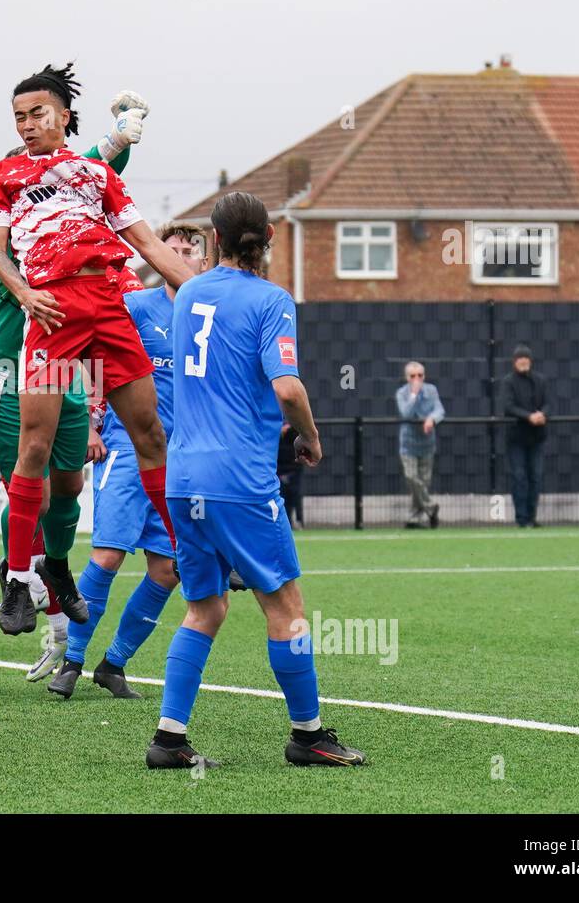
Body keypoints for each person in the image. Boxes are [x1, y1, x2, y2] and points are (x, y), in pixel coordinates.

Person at [146, 191, 365, 769]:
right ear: (269, 237)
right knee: (286, 604)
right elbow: (287, 387)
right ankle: (308, 735)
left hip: (184, 475)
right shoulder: (273, 300)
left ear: (214, 240)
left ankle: (169, 740)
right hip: (238, 478)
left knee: (205, 608)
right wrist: (310, 438)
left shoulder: (188, 292)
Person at [0, 63, 192, 635]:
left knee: (150, 432)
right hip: (51, 309)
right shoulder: (1, 175)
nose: (27, 124)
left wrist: (200, 293)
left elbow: (146, 241)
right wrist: (26, 294)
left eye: (38, 113)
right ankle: (20, 579)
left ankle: (185, 547)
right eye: (19, 116)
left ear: (64, 116)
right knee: (35, 446)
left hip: (108, 302)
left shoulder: (94, 172)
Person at [0, 89, 149, 675]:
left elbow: (90, 162)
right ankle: (16, 581)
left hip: (67, 365)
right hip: (10, 369)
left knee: (69, 488)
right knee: (31, 477)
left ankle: (57, 568)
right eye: (18, 118)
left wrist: (122, 132)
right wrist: (14, 298)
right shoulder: (12, 207)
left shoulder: (68, 185)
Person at [49, 222, 208, 700]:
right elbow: (86, 357)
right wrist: (91, 423)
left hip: (184, 457)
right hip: (127, 447)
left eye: (189, 251)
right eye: (170, 249)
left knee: (167, 570)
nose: (179, 257)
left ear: (203, 261)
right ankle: (72, 661)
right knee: (109, 554)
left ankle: (113, 663)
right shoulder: (135, 307)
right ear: (156, 258)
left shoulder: (210, 315)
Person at [500, 345, 548, 528]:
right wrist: (529, 416)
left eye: (526, 360)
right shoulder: (508, 382)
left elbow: (549, 403)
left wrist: (542, 414)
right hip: (516, 438)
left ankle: (531, 517)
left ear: (530, 361)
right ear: (514, 362)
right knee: (519, 477)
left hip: (537, 437)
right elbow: (508, 406)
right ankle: (522, 518)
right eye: (520, 360)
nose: (523, 363)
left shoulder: (541, 380)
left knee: (535, 476)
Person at [395, 361, 445, 529]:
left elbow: (439, 410)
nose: (417, 379)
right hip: (408, 444)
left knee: (423, 482)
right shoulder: (402, 393)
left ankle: (414, 519)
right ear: (407, 377)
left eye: (420, 375)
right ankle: (431, 507)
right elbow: (406, 413)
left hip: (427, 444)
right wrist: (414, 395)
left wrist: (432, 419)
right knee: (411, 477)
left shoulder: (432, 390)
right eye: (413, 376)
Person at [277, 422, 305, 529]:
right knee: (282, 498)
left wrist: (289, 428)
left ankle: (298, 520)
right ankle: (287, 522)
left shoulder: (294, 431)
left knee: (294, 496)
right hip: (279, 470)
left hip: (293, 470)